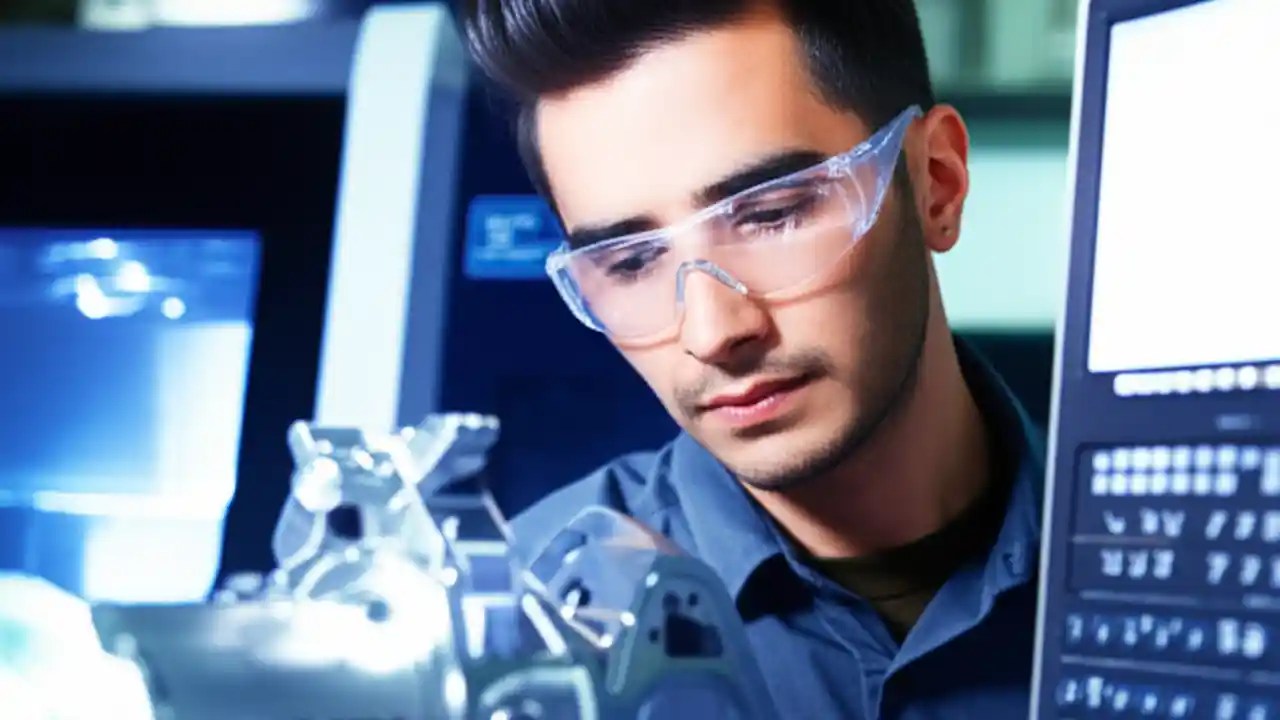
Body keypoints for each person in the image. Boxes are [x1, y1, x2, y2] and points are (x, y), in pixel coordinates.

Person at [460, 1, 1046, 717]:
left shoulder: (1187, 575)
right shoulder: (503, 638)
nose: (711, 332)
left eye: (771, 215)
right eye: (631, 260)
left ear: (936, 181)